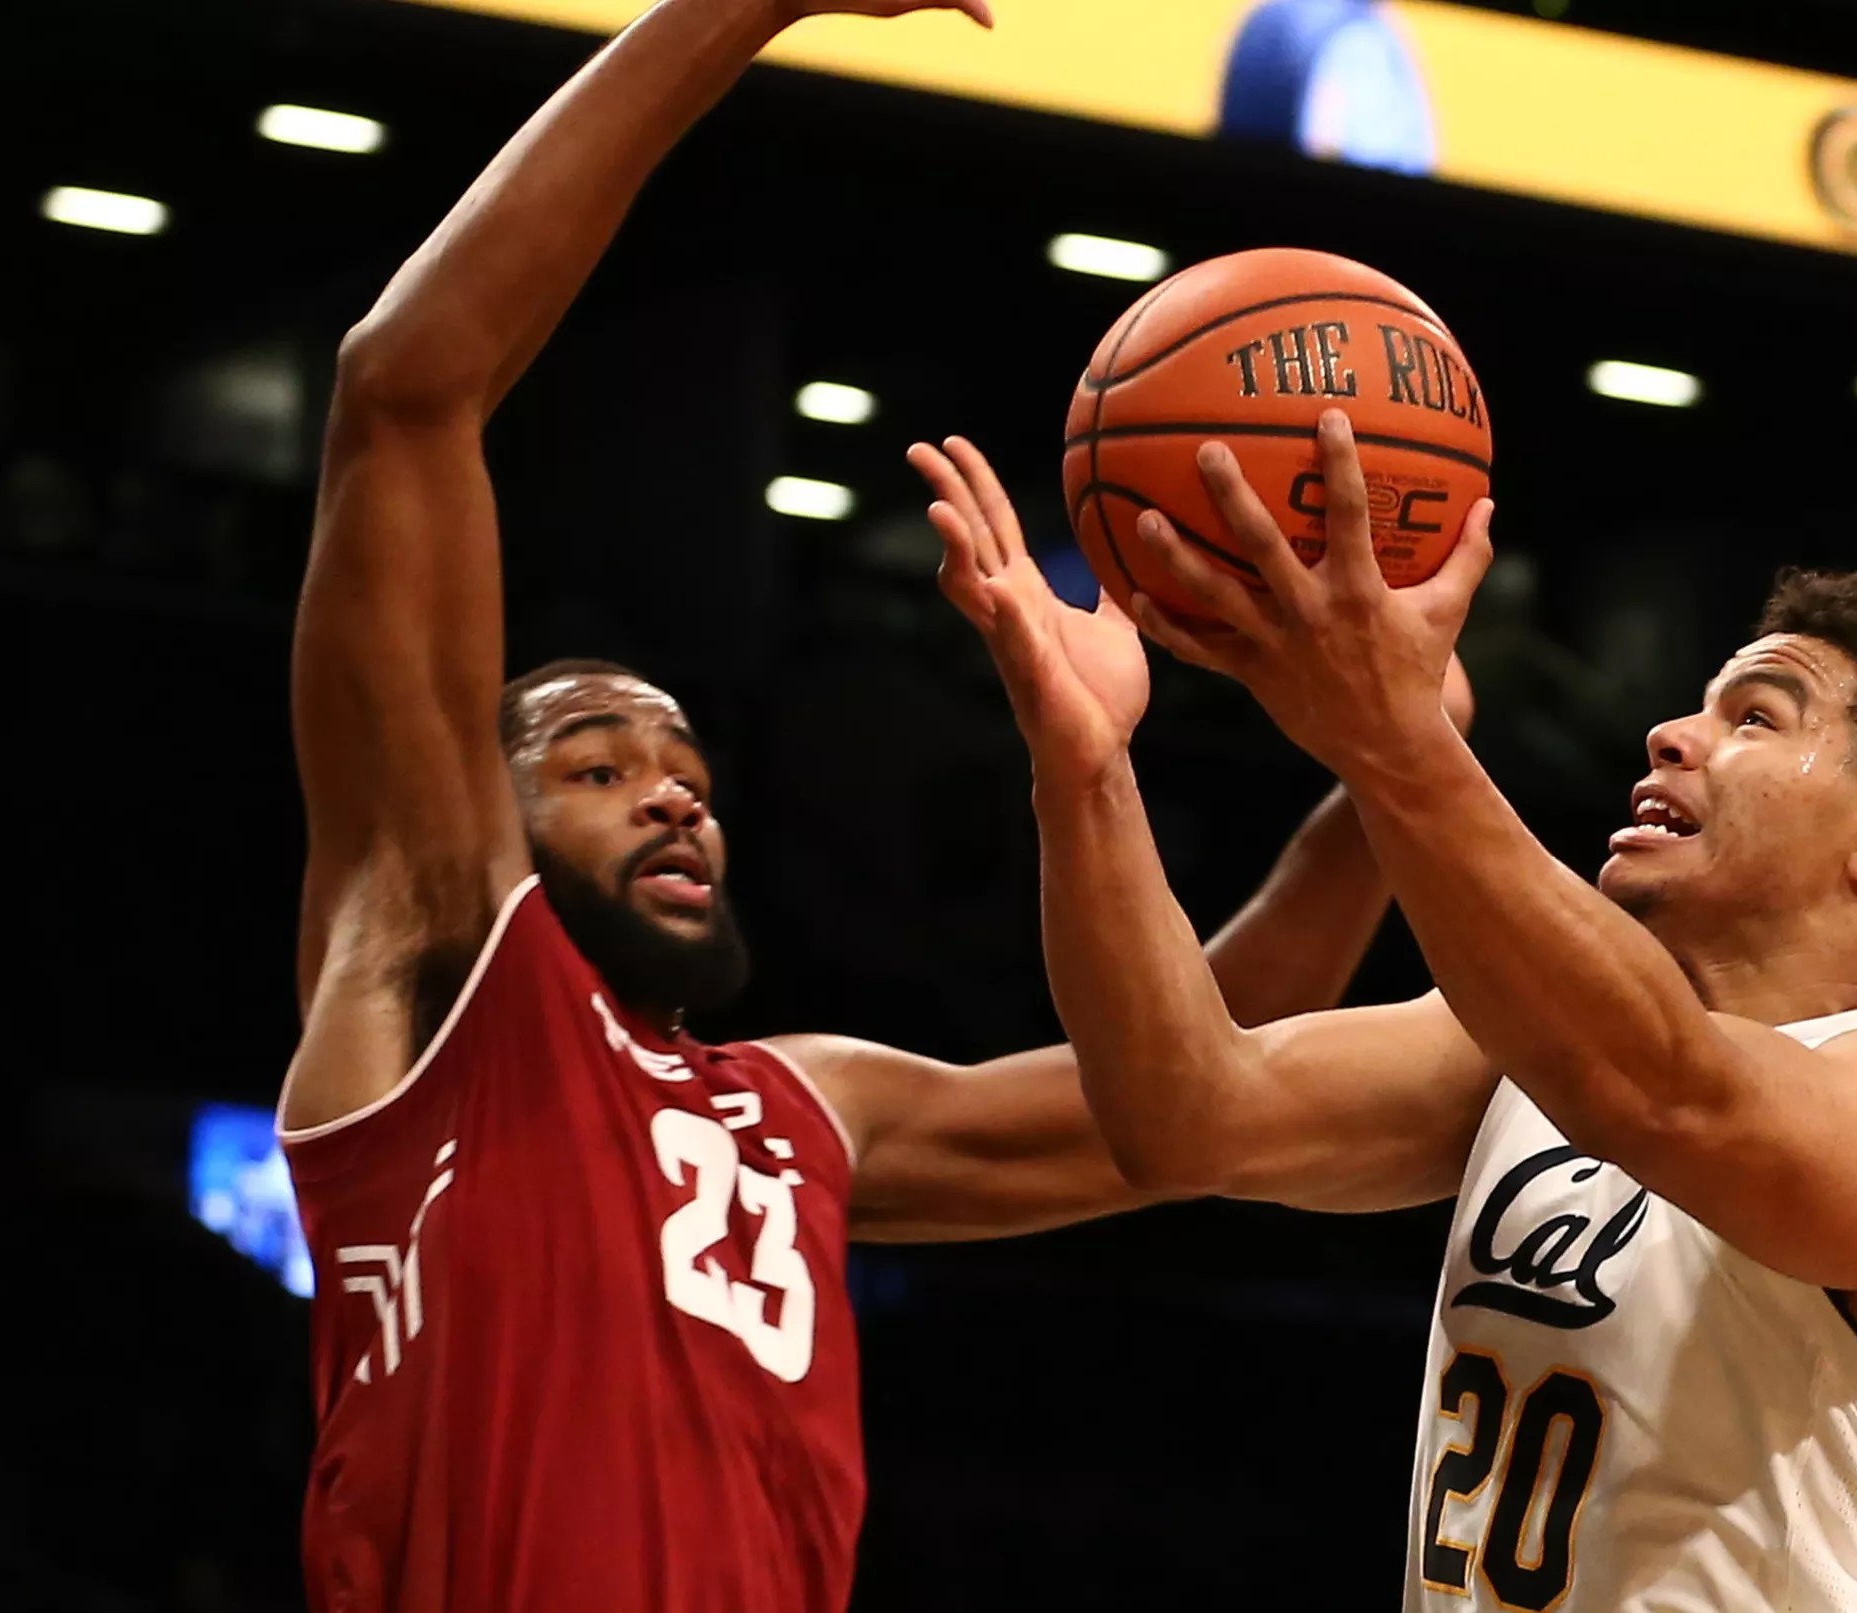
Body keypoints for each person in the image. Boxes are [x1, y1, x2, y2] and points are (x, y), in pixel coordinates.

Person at [275, 1, 1471, 1606]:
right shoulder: (431, 972)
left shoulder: (803, 1108)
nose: (672, 800)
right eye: (598, 768)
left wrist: (1384, 767)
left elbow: (1197, 1086)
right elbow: (403, 391)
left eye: (689, 776)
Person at [930, 406, 1857, 1611]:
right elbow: (1183, 1116)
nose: (1671, 732)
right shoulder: (1526, 1055)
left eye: (1755, 714)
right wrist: (1083, 765)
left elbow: (1663, 1090)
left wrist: (1389, 733)